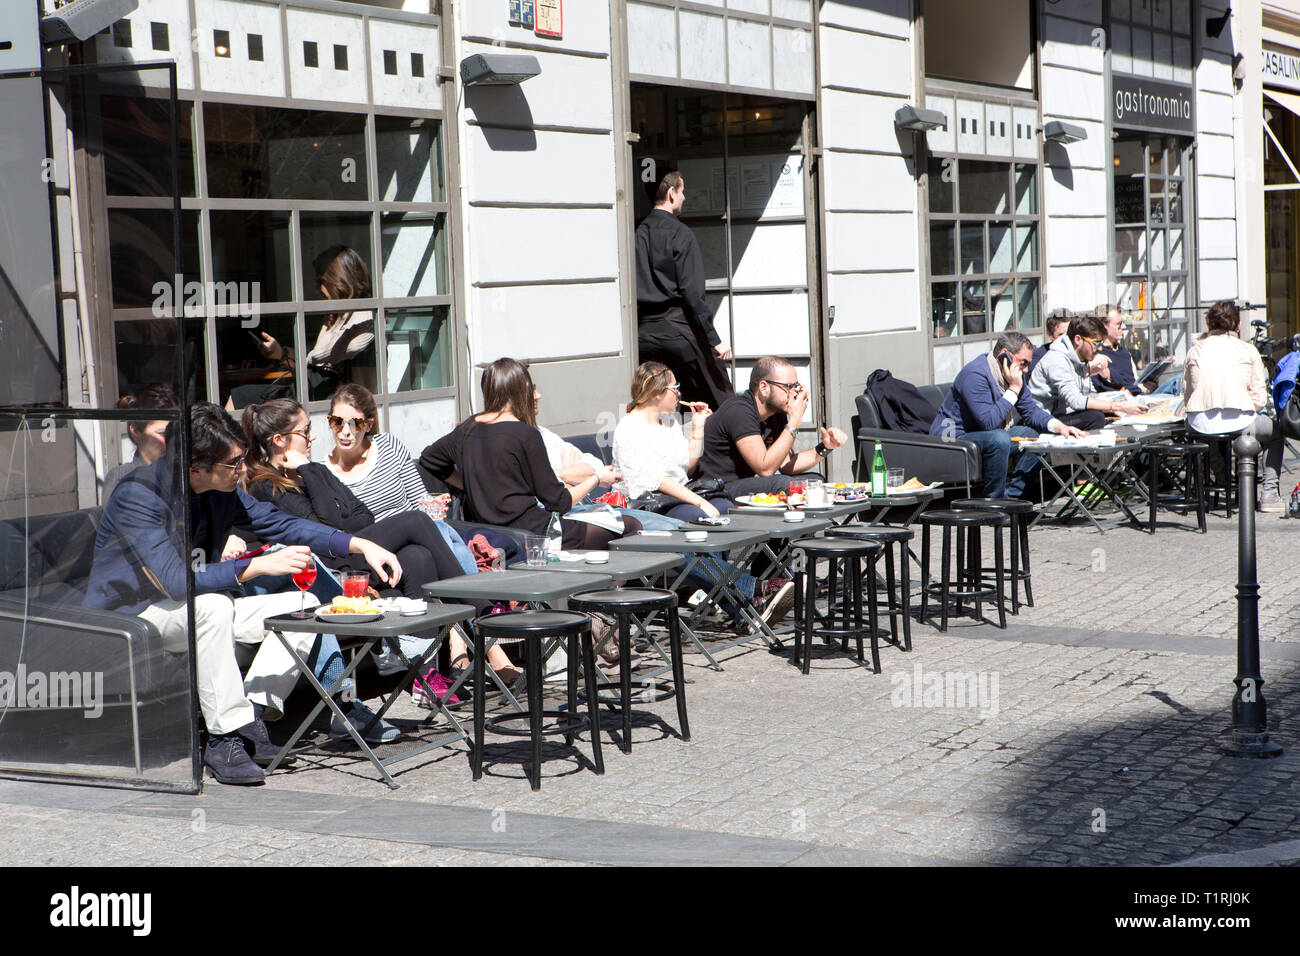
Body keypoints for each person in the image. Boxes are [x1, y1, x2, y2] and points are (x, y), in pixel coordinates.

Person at [84, 403, 402, 785]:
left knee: (306, 604)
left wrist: (358, 544)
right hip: (129, 618)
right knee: (213, 605)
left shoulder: (221, 491)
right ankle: (223, 739)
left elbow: (280, 522)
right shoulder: (139, 495)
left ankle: (251, 713)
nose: (243, 470)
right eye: (233, 464)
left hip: (189, 609)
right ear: (195, 468)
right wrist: (257, 567)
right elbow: (172, 580)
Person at [241, 398, 516, 685]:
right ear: (279, 440)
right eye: (305, 430)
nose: (313, 436)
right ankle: (481, 609)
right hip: (330, 573)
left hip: (352, 554)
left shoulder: (310, 473)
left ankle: (423, 673)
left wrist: (316, 479)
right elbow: (329, 532)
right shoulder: (267, 485)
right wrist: (311, 471)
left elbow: (363, 515)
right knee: (415, 520)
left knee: (416, 555)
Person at [613, 361, 795, 626]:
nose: (679, 393)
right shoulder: (630, 428)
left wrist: (698, 428)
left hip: (676, 494)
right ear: (656, 392)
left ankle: (734, 602)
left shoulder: (669, 421)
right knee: (701, 516)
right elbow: (656, 480)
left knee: (722, 506)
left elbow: (686, 466)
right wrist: (698, 500)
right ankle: (746, 601)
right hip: (648, 504)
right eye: (674, 388)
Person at [419, 359, 642, 550]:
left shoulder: (467, 429)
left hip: (491, 534)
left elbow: (430, 459)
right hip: (535, 535)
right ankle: (608, 597)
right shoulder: (525, 434)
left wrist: (468, 484)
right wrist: (597, 478)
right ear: (522, 389)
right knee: (631, 525)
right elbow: (560, 502)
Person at [930, 332, 1088, 499]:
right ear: (1004, 355)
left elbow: (1031, 411)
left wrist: (1061, 427)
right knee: (999, 439)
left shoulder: (1013, 375)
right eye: (1023, 363)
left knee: (1033, 437)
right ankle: (994, 501)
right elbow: (988, 423)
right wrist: (1013, 389)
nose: (1026, 369)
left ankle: (1012, 499)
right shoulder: (975, 375)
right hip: (952, 438)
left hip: (984, 435)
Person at [635, 169, 734, 409]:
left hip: (642, 334)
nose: (684, 197)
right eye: (682, 191)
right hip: (677, 332)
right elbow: (692, 296)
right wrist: (714, 340)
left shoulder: (635, 232)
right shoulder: (681, 234)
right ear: (671, 193)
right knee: (717, 395)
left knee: (654, 402)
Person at [696, 355, 848, 502]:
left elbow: (786, 465)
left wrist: (826, 447)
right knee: (781, 484)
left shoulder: (776, 414)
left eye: (797, 386)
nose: (795, 392)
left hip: (741, 484)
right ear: (764, 387)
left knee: (815, 481)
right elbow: (765, 469)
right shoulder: (740, 411)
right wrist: (795, 420)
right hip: (713, 488)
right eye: (789, 386)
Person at [1183, 300, 1287, 512]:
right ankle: (1269, 494)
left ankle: (1221, 477)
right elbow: (1258, 399)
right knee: (1276, 432)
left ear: (1209, 326)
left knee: (1210, 429)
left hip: (1199, 422)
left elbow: (1188, 395)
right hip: (1240, 420)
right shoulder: (1248, 350)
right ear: (1238, 326)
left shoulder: (1195, 350)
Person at [253, 246, 376, 401]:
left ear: (338, 279)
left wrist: (310, 357)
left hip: (336, 397)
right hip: (316, 389)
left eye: (321, 281)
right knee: (242, 395)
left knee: (243, 396)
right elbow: (316, 358)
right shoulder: (335, 315)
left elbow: (334, 354)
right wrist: (280, 352)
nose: (317, 290)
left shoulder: (364, 314)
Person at [1028, 313, 1145, 430]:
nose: (1099, 348)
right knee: (1095, 417)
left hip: (1061, 415)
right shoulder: (1057, 360)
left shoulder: (1078, 358)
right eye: (1096, 343)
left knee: (1104, 415)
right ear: (1078, 339)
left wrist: (1118, 403)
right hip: (1044, 420)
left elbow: (1088, 394)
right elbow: (1076, 401)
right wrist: (1118, 407)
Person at [103, 383, 177, 500]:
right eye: (162, 434)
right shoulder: (122, 478)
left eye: (175, 432)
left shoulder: (180, 474)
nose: (171, 440)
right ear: (136, 431)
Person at [1090, 304, 1181, 396]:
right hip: (1126, 402)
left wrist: (1148, 384)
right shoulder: (1097, 355)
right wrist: (1139, 388)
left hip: (1141, 396)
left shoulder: (1124, 352)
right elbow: (1110, 389)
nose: (1124, 327)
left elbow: (1135, 382)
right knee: (1177, 382)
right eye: (1119, 324)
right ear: (1103, 326)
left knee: (1179, 385)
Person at [1027, 310, 1071, 378]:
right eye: (1061, 335)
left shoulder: (1080, 351)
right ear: (1050, 335)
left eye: (1069, 333)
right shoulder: (1041, 356)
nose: (1066, 338)